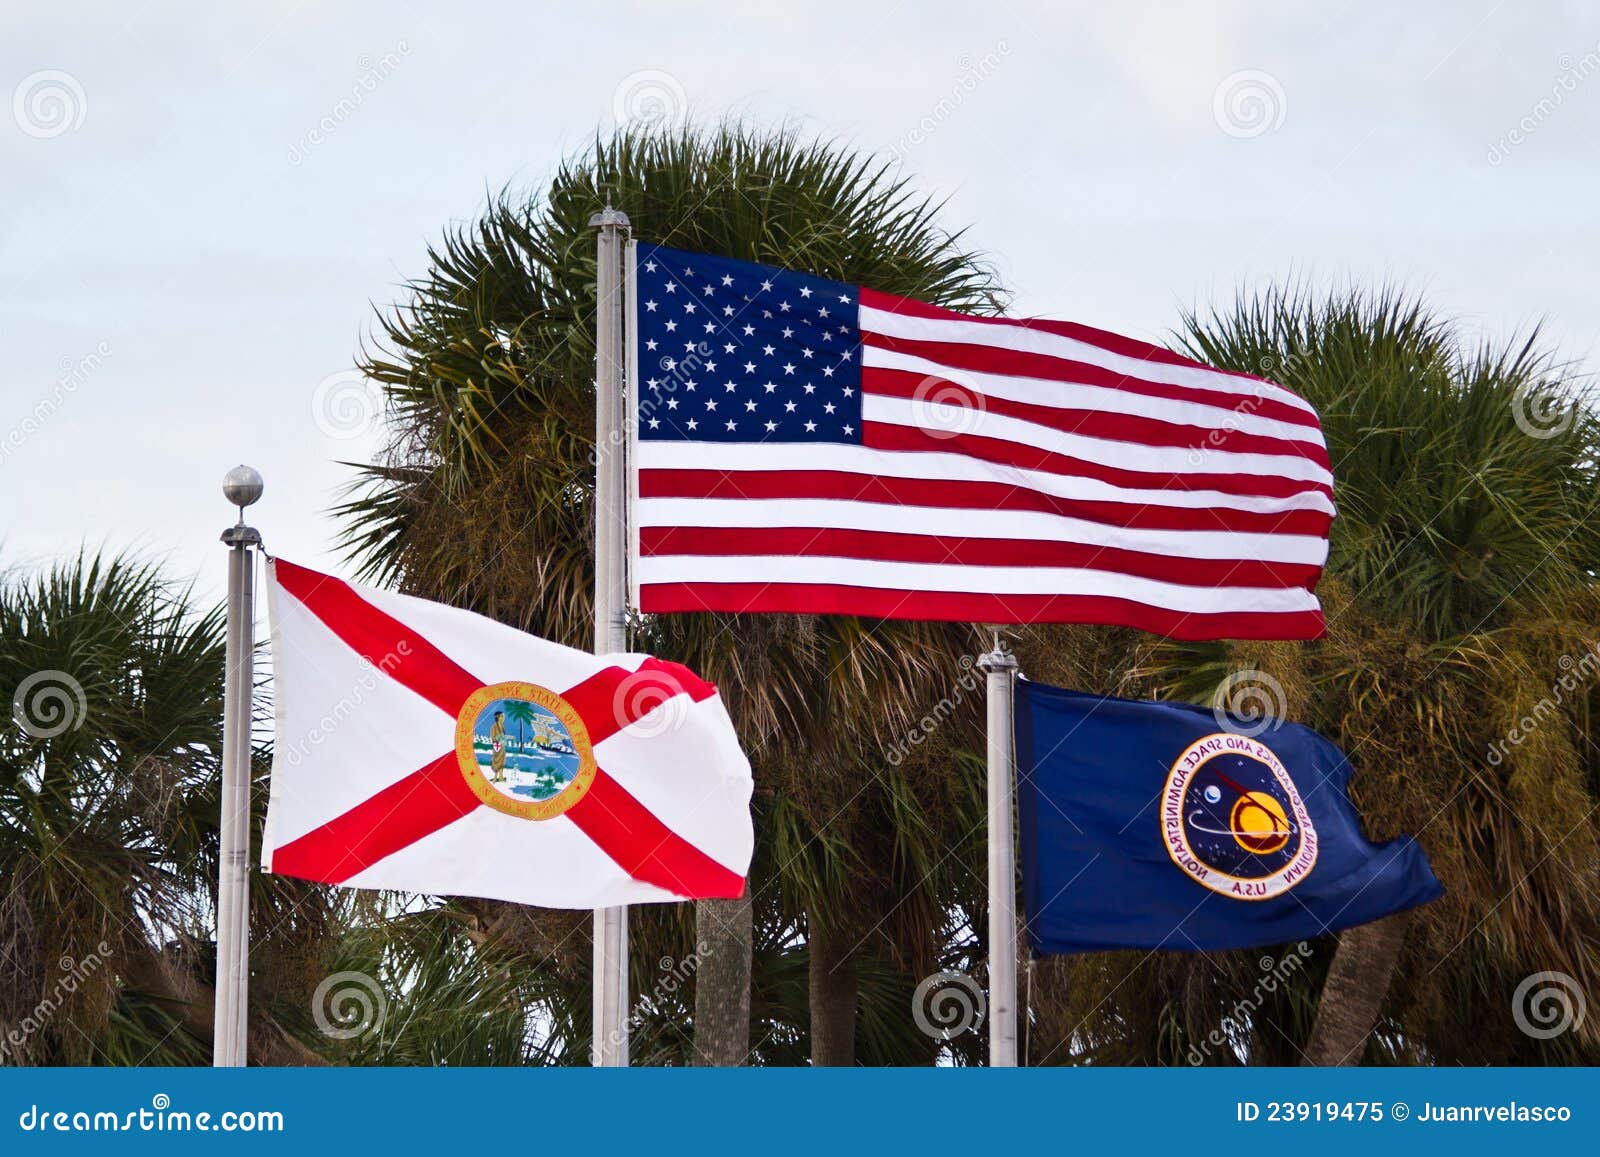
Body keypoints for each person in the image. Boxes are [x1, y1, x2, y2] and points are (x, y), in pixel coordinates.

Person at [489, 710, 507, 783]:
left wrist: (503, 739)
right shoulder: (494, 727)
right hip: (497, 746)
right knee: (496, 761)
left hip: (502, 746)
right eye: (502, 716)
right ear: (498, 717)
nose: (503, 718)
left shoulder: (502, 726)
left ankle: (501, 776)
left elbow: (503, 736)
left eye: (503, 716)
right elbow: (493, 737)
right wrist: (500, 738)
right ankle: (495, 777)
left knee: (502, 761)